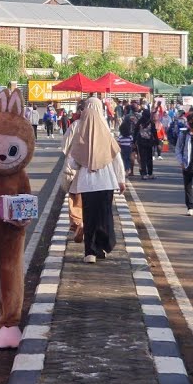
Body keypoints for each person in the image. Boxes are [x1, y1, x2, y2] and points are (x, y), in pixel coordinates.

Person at [62, 98, 126, 263]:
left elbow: (72, 163)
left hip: (87, 183)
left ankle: (90, 252)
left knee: (89, 218)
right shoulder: (107, 132)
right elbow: (116, 158)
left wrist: (70, 179)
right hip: (106, 182)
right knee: (104, 216)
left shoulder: (80, 131)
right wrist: (121, 179)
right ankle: (102, 246)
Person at [133, 110, 158, 180]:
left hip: (141, 142)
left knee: (143, 158)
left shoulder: (139, 122)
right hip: (149, 142)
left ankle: (144, 174)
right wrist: (157, 142)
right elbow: (154, 133)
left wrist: (134, 141)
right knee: (149, 158)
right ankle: (150, 173)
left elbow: (135, 132)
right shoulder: (151, 122)